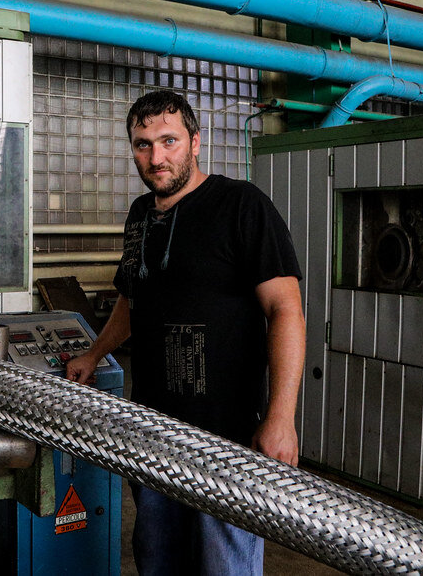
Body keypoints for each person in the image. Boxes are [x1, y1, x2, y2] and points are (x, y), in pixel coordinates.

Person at [66, 90, 305, 576]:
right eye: (142, 144)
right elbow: (132, 301)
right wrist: (94, 354)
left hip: (227, 441)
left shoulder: (241, 205)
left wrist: (281, 418)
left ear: (196, 142)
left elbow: (286, 310)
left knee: (225, 566)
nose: (156, 157)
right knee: (158, 560)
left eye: (169, 141)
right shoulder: (139, 216)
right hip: (152, 432)